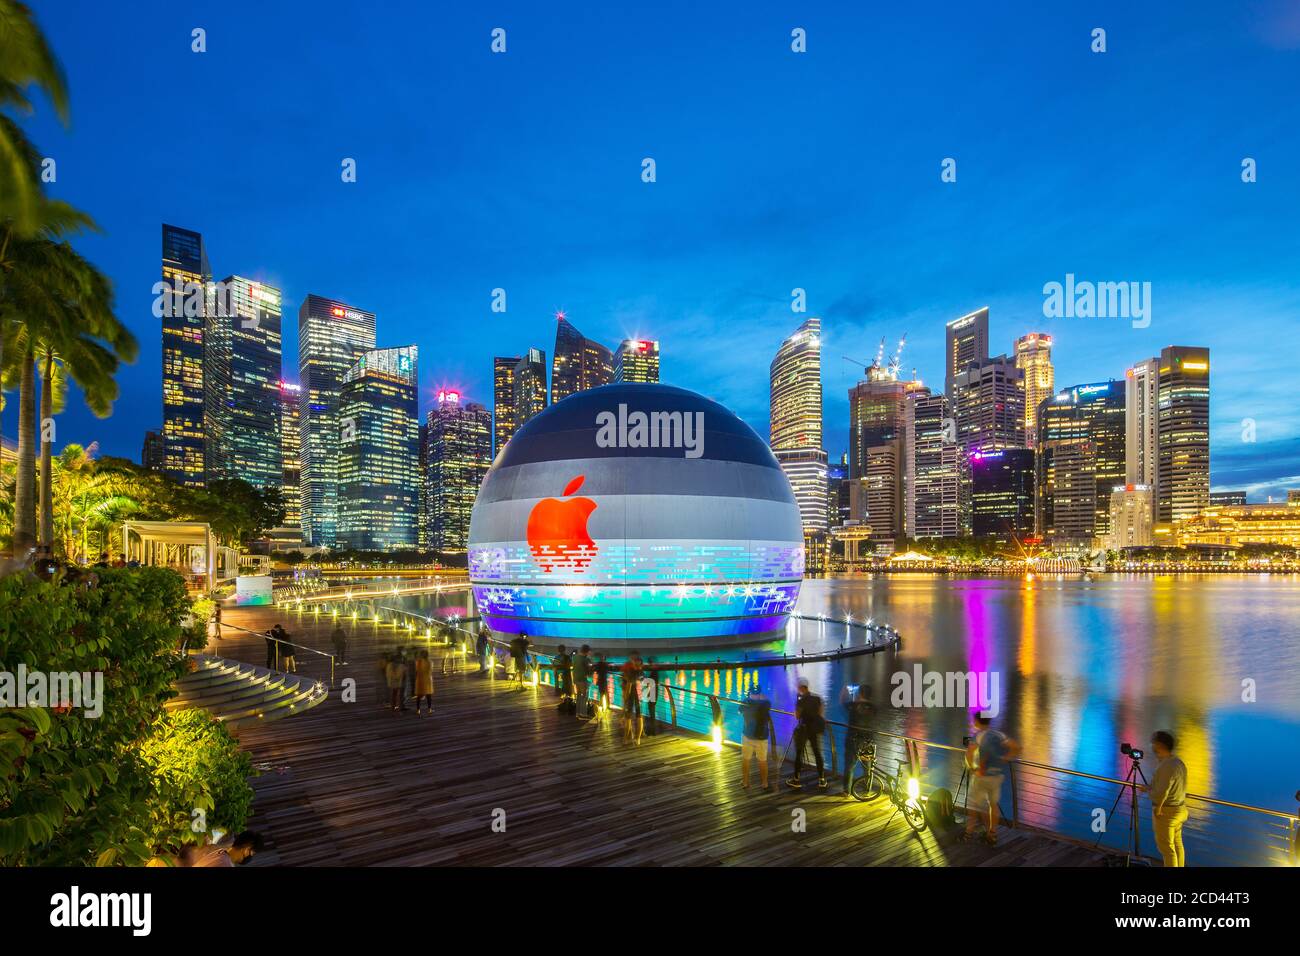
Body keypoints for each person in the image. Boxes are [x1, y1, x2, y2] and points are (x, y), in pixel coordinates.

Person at [962, 714, 1018, 846]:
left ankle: (968, 833)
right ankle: (992, 834)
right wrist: (1005, 759)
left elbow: (969, 754)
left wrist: (972, 768)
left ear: (976, 722)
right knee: (993, 805)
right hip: (997, 777)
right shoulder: (999, 735)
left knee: (974, 806)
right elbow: (1017, 747)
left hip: (982, 776)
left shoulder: (978, 736)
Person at [1147, 730, 1188, 867]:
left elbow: (1162, 792)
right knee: (1177, 846)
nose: (1152, 746)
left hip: (1166, 812)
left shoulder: (1166, 766)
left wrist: (1158, 808)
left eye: (1154, 743)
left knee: (1167, 850)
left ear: (1160, 745)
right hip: (1180, 809)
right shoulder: (1178, 762)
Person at [786, 677, 827, 790]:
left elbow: (797, 716)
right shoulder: (817, 698)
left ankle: (796, 779)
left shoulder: (801, 700)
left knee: (799, 754)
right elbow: (820, 713)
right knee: (817, 753)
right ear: (807, 686)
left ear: (800, 687)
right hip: (814, 729)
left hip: (803, 729)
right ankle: (822, 779)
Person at [840, 684, 875, 794]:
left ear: (860, 693)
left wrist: (844, 690)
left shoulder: (853, 706)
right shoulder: (874, 708)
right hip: (868, 740)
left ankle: (847, 791)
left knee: (850, 766)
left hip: (853, 740)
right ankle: (867, 789)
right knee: (867, 766)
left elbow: (842, 702)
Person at [739, 687, 773, 791]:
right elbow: (768, 702)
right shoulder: (765, 704)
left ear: (750, 693)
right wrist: (764, 698)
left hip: (748, 735)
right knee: (762, 761)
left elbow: (739, 711)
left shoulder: (745, 703)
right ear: (759, 693)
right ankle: (764, 783)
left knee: (746, 759)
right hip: (762, 737)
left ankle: (745, 781)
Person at [181, 831, 264, 867]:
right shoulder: (225, 864)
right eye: (252, 853)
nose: (251, 857)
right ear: (246, 850)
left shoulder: (219, 853)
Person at [620, 653, 643, 743]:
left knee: (628, 717)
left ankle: (626, 738)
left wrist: (625, 698)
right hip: (640, 697)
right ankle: (638, 738)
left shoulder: (632, 673)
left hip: (631, 697)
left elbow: (629, 686)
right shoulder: (642, 673)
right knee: (639, 716)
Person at [639, 657, 659, 736]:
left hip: (652, 693)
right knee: (652, 711)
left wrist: (643, 679)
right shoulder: (655, 671)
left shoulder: (653, 672)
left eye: (650, 663)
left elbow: (649, 683)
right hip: (653, 693)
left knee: (652, 712)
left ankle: (652, 731)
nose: (650, 665)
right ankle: (652, 730)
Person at [572, 645, 593, 719]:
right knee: (584, 696)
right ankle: (583, 714)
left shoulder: (575, 657)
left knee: (578, 696)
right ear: (587, 651)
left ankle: (577, 713)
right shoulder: (585, 659)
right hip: (583, 680)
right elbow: (589, 672)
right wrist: (590, 660)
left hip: (576, 679)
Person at [413, 649, 435, 715]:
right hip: (427, 680)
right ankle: (429, 709)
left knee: (419, 696)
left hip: (420, 679)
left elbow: (416, 670)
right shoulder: (430, 662)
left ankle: (418, 710)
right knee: (429, 696)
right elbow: (430, 671)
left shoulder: (418, 662)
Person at [593, 653, 611, 719]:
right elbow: (607, 670)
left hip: (601, 680)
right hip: (603, 680)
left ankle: (602, 706)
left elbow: (597, 671)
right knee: (605, 694)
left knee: (602, 694)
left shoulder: (598, 664)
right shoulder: (605, 664)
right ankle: (605, 706)